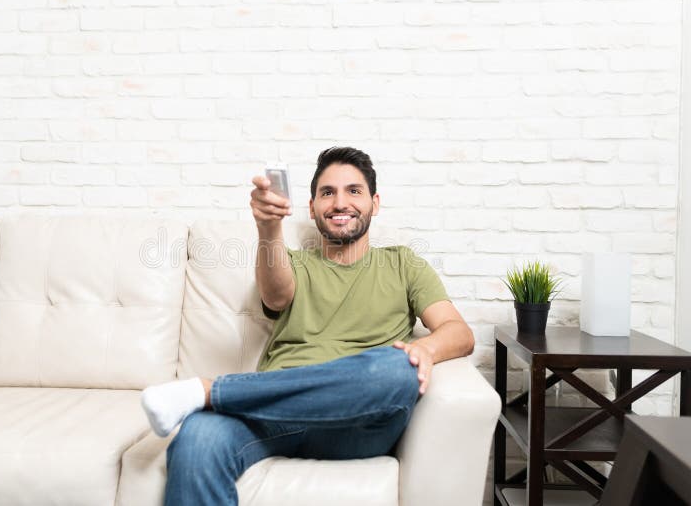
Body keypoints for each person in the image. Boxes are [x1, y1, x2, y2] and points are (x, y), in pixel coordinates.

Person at [141, 147, 475, 506]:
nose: (340, 202)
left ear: (375, 203)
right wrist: (269, 227)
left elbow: (459, 332)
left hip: (358, 422)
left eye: (354, 191)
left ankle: (211, 391)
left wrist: (424, 349)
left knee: (397, 367)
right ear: (313, 206)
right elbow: (276, 294)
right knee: (198, 436)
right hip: (272, 418)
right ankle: (216, 397)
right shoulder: (293, 263)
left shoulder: (403, 263)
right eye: (327, 193)